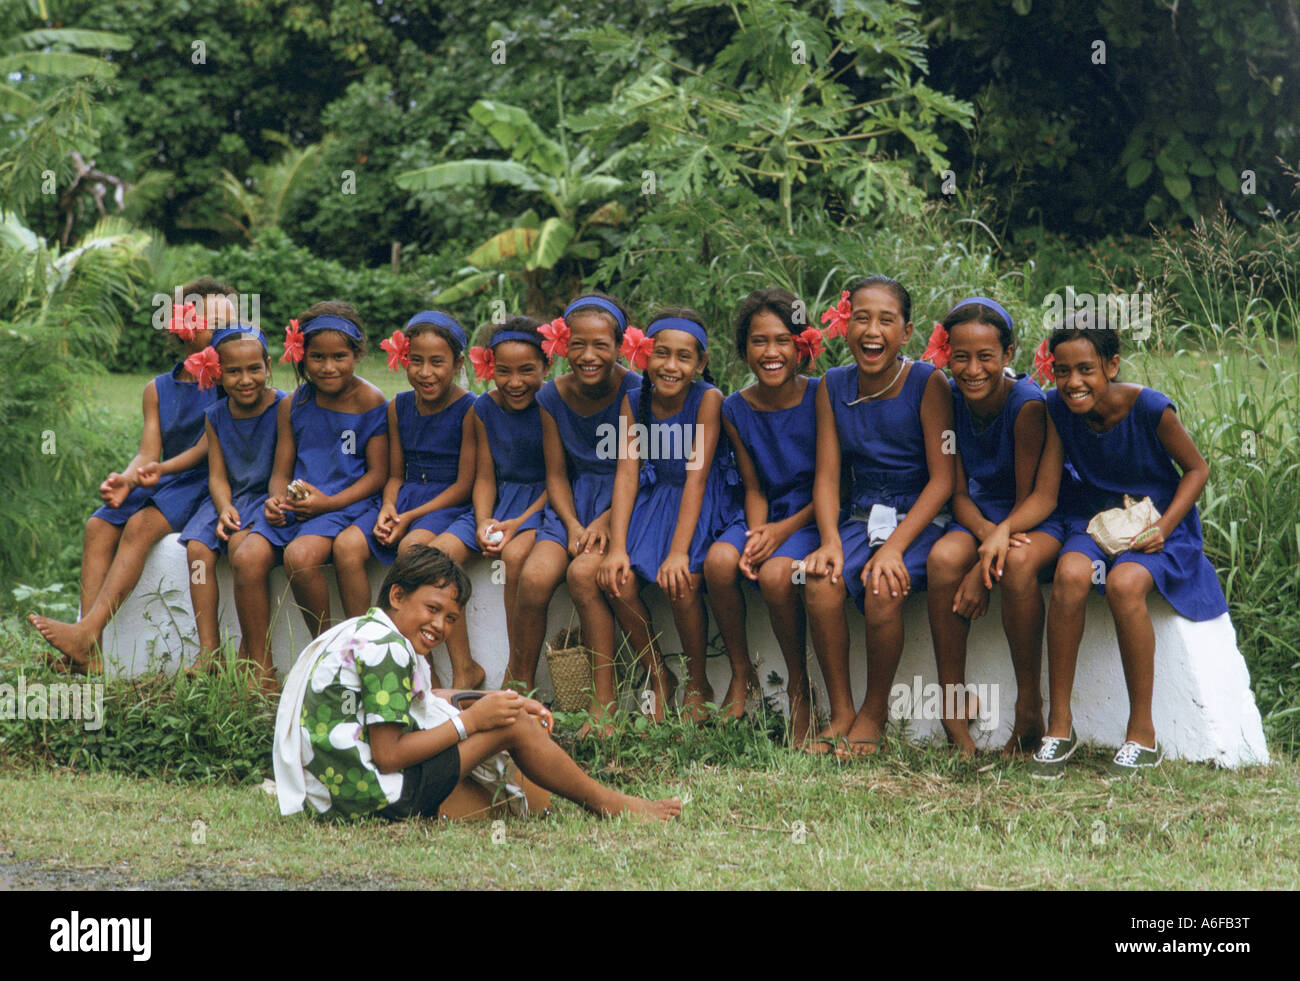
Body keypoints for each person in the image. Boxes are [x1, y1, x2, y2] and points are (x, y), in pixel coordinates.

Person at [272, 545, 682, 823]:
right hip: (376, 793)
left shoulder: (369, 633)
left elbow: (420, 700)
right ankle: (613, 804)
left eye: (451, 619)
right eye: (432, 609)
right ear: (397, 595)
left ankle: (549, 793)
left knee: (502, 789)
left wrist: (497, 700)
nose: (439, 626)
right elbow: (390, 755)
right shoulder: (388, 650)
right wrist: (474, 722)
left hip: (339, 797)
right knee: (515, 729)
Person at [1029, 310, 1227, 778]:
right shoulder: (1056, 409)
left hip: (1157, 523)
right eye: (1061, 371)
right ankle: (1059, 728)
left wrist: (1165, 527)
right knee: (1071, 574)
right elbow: (1049, 488)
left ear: (1112, 366)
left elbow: (1197, 470)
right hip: (1096, 520)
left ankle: (1142, 734)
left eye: (1085, 370)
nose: (1073, 382)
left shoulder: (1151, 409)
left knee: (1124, 584)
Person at [29, 278, 231, 672]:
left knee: (140, 526)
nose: (223, 330)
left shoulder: (229, 381)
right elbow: (147, 453)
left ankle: (87, 631)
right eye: (212, 320)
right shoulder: (157, 389)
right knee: (97, 527)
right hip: (163, 476)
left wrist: (155, 473)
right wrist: (126, 478)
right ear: (182, 325)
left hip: (203, 480)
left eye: (229, 321)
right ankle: (89, 651)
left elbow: (214, 442)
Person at [803, 276, 956, 757]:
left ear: (906, 331)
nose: (873, 330)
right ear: (845, 327)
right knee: (820, 583)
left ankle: (874, 711)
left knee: (883, 586)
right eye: (862, 318)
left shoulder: (928, 383)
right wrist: (829, 540)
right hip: (860, 515)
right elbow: (828, 476)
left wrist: (893, 548)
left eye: (886, 320)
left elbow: (943, 479)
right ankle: (842, 709)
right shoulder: (832, 385)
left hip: (920, 518)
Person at [921, 298, 1065, 756]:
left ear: (1008, 355)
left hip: (1031, 516)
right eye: (960, 356)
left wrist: (984, 566)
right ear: (947, 356)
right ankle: (953, 711)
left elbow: (1034, 498)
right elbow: (956, 492)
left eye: (986, 357)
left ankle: (1029, 707)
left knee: (1018, 565)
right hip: (978, 516)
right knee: (943, 559)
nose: (972, 369)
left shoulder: (1026, 406)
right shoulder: (945, 395)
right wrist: (986, 543)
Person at [234, 302, 388, 677]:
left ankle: (333, 649)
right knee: (245, 556)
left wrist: (329, 502)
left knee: (300, 557)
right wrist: (276, 499)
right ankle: (260, 664)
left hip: (347, 503)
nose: (328, 366)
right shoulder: (294, 404)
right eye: (317, 357)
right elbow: (281, 470)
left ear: (357, 355)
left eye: (339, 356)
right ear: (302, 356)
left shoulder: (371, 402)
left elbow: (378, 475)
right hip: (301, 505)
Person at [335, 311, 483, 689]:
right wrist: (388, 507)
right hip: (403, 499)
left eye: (437, 362)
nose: (425, 372)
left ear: (458, 363)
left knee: (415, 552)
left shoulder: (470, 410)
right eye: (416, 360)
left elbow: (464, 485)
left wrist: (408, 516)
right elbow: (395, 474)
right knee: (348, 545)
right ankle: (365, 650)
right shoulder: (398, 406)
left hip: (447, 504)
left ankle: (432, 668)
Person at [594, 309, 728, 730]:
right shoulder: (633, 399)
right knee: (615, 579)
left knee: (681, 580)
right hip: (654, 500)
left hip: (698, 499)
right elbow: (627, 471)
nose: (671, 366)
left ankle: (698, 683)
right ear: (644, 356)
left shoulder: (708, 399)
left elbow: (697, 477)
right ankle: (657, 671)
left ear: (700, 364)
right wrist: (617, 548)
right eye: (662, 355)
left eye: (684, 357)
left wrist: (677, 552)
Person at [703, 288, 821, 741]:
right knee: (719, 562)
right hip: (763, 511)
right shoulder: (735, 407)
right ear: (744, 348)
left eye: (782, 340)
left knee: (776, 577)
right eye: (758, 341)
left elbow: (834, 484)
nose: (770, 352)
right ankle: (741, 671)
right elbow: (752, 485)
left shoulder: (821, 395)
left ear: (801, 346)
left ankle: (798, 686)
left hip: (812, 513)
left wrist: (780, 531)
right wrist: (756, 533)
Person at [510, 294, 640, 691]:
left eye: (601, 345)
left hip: (624, 504)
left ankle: (604, 693)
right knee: (533, 579)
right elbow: (557, 474)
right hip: (571, 504)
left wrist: (601, 523)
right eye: (577, 344)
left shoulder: (635, 390)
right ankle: (520, 683)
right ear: (562, 345)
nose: (588, 355)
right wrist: (570, 524)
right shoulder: (552, 396)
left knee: (583, 573)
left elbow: (633, 469)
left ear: (619, 347)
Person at [441, 318, 551, 685]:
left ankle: (519, 673)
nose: (514, 382)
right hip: (498, 501)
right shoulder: (483, 409)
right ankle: (463, 668)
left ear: (546, 366)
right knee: (436, 558)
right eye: (503, 371)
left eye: (526, 371)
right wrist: (483, 521)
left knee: (516, 557)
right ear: (490, 368)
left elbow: (561, 478)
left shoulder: (553, 405)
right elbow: (485, 476)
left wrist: (518, 523)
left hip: (541, 505)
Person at [177, 325, 286, 679]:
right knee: (196, 550)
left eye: (254, 368)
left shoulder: (283, 407)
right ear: (217, 373)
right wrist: (223, 507)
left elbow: (283, 469)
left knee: (241, 547)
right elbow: (218, 475)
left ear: (268, 366)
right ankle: (209, 649)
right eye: (233, 371)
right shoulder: (216, 416)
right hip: (230, 497)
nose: (245, 379)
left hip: (267, 495)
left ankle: (255, 655)